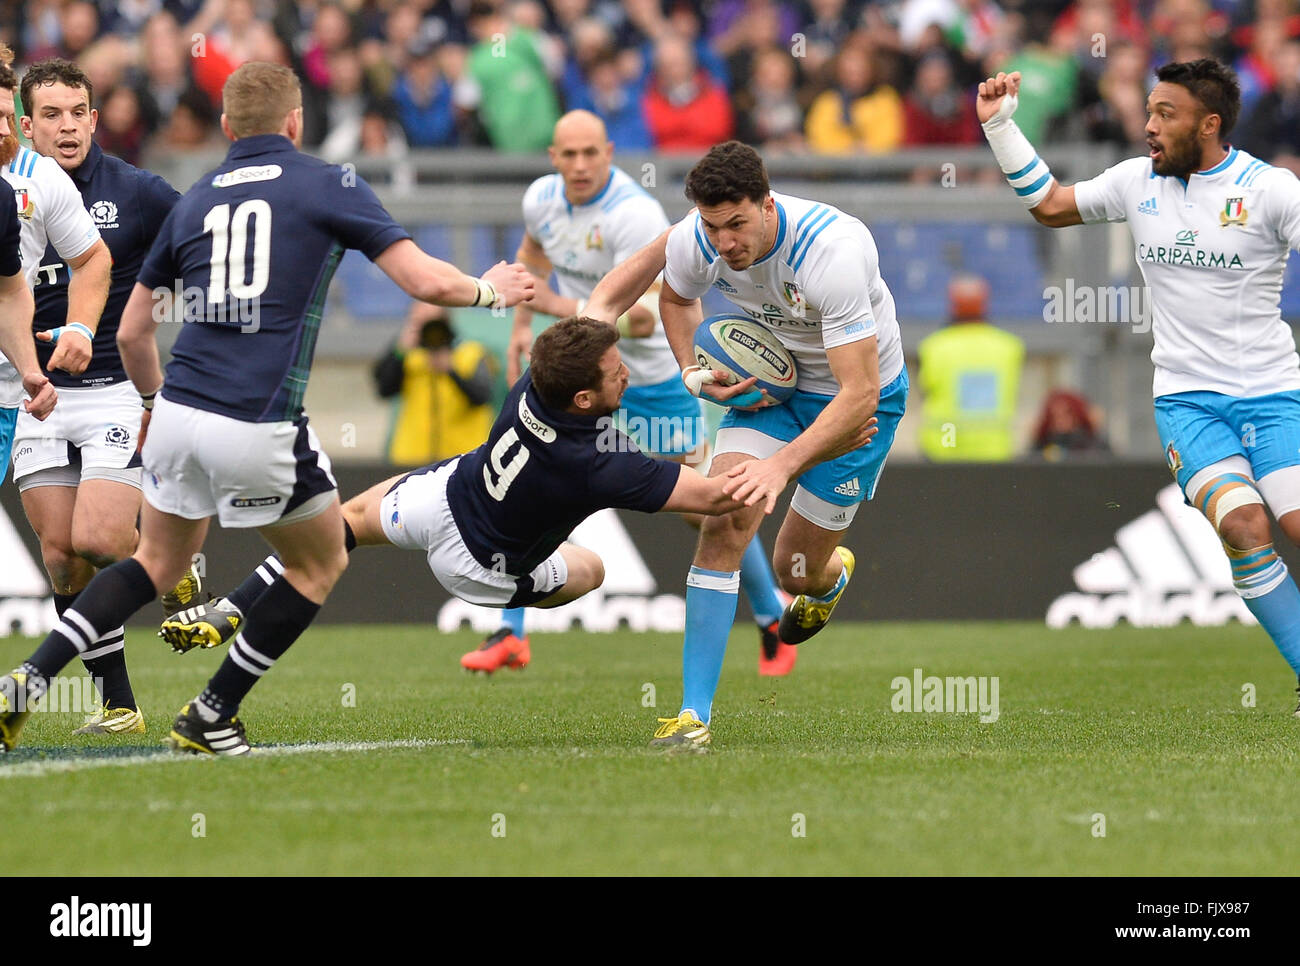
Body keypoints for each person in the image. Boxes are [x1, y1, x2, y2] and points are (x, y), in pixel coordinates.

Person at [0, 61, 534, 756]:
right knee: (320, 561)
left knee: (147, 563)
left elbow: (132, 331)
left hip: (178, 412)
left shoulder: (193, 200)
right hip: (257, 416)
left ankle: (28, 681)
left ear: (225, 128)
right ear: (296, 123)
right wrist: (490, 290)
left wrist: (155, 404)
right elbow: (420, 278)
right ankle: (212, 710)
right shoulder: (327, 181)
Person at [153, 320, 832, 696]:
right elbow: (714, 497)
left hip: (445, 496)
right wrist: (791, 447)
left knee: (342, 530)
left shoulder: (535, 385)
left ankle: (233, 606)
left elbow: (613, 407)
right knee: (590, 569)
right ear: (589, 400)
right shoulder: (601, 464)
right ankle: (513, 628)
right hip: (481, 568)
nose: (628, 371)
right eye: (618, 371)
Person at [977, 59, 1300, 709]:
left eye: (1165, 115)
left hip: (1273, 394)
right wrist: (1001, 129)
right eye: (1149, 111)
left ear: (1209, 125)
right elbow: (1050, 206)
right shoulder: (1135, 181)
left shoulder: (1271, 192)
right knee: (1243, 525)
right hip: (1187, 400)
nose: (1148, 125)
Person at [585, 140, 905, 748]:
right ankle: (692, 717)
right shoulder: (695, 239)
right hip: (770, 393)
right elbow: (677, 299)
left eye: (737, 224)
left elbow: (858, 393)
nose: (725, 242)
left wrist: (781, 467)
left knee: (796, 568)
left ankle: (828, 580)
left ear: (766, 203)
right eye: (713, 226)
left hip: (856, 400)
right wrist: (693, 374)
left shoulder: (832, 250)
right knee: (725, 519)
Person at [487, 110, 797, 679]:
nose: (580, 166)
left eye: (590, 153)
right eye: (568, 155)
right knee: (535, 483)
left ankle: (772, 615)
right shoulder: (541, 200)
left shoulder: (633, 214)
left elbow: (645, 322)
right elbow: (532, 256)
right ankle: (511, 632)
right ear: (552, 158)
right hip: (586, 379)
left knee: (706, 504)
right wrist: (522, 328)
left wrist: (560, 310)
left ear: (609, 152)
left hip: (650, 383)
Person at [10, 59, 203, 739]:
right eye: (51, 115)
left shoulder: (138, 192)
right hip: (38, 394)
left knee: (98, 538)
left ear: (95, 118)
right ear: (24, 125)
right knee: (61, 554)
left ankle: (169, 557)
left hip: (116, 389)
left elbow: (197, 248)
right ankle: (118, 703)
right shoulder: (15, 191)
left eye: (78, 113)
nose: (67, 127)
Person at [917, 273, 1025, 461]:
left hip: (944, 447)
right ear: (985, 304)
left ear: (952, 305)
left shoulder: (933, 347)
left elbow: (925, 390)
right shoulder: (1009, 347)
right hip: (994, 450)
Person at [372, 301, 496, 465]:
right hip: (411, 458)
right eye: (418, 322)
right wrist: (400, 352)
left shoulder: (470, 353)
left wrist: (451, 370)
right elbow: (384, 390)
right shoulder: (407, 355)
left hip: (463, 459)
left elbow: (482, 397)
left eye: (430, 323)